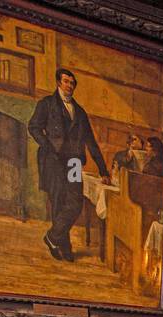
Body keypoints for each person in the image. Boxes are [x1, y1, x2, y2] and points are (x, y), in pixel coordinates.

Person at [27, 68, 110, 262]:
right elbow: (33, 127)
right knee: (58, 203)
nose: (69, 85)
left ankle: (52, 237)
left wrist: (103, 170)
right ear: (58, 82)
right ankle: (64, 246)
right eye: (66, 81)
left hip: (73, 162)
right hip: (54, 161)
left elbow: (91, 142)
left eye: (72, 83)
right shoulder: (47, 104)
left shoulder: (80, 112)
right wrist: (48, 145)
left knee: (75, 202)